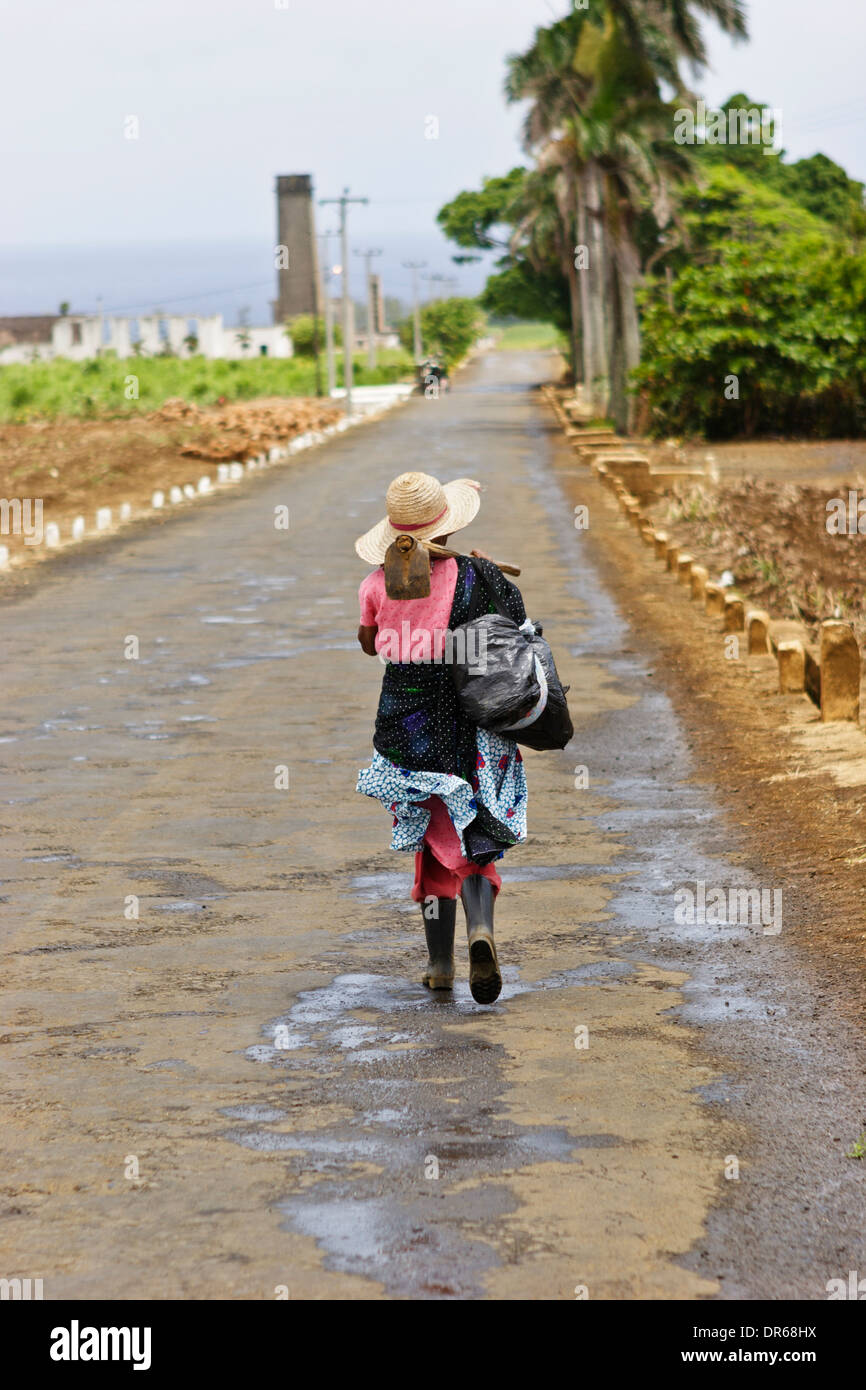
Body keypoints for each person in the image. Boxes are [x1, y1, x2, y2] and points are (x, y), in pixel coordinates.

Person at [355, 471, 527, 1005]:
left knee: (433, 837)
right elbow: (515, 625)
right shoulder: (475, 575)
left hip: (407, 727)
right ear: (447, 531)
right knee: (475, 827)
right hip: (469, 719)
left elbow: (369, 643)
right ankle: (481, 931)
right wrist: (488, 572)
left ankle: (439, 963)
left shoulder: (377, 583)